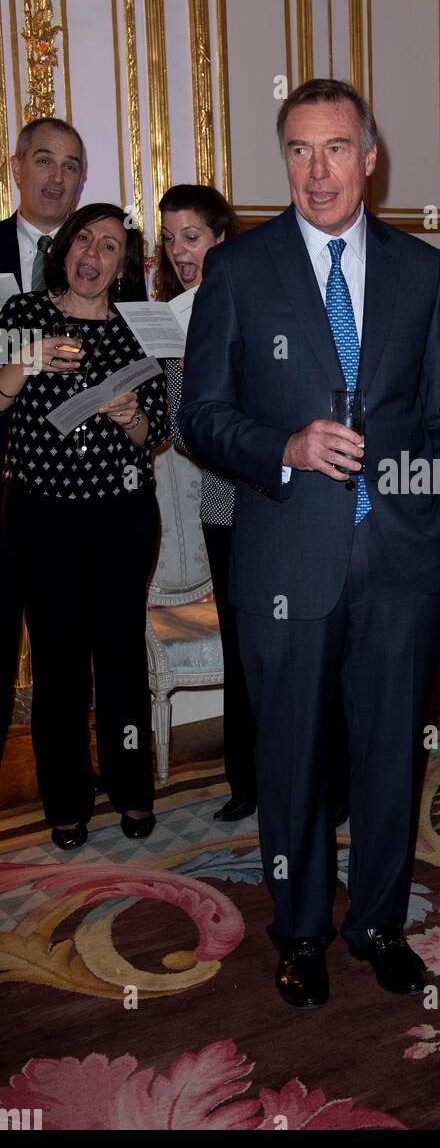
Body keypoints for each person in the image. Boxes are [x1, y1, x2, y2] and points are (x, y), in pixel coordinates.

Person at [179, 78, 440, 1008]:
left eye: (336, 148)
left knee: (392, 753)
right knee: (292, 758)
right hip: (285, 565)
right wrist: (284, 448)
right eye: (300, 151)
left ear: (370, 158)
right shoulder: (239, 269)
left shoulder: (423, 273)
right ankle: (299, 930)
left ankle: (378, 921)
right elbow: (199, 418)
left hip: (399, 565)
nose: (318, 171)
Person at [0, 202, 168, 849]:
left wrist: (129, 417)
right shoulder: (24, 314)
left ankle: (131, 790)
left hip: (121, 516)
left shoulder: (139, 328)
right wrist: (29, 361)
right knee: (59, 663)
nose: (93, 254)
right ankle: (66, 802)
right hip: (41, 518)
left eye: (109, 246)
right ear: (65, 248)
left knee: (121, 657)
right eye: (84, 240)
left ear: (123, 264)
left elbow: (157, 431)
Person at [156, 184, 257, 822]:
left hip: (288, 505)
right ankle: (245, 782)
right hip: (225, 508)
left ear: (221, 238)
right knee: (243, 650)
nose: (178, 252)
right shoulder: (173, 320)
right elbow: (177, 429)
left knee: (303, 649)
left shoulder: (261, 299)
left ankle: (320, 776)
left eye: (190, 236)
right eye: (168, 240)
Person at [0, 118, 86, 758]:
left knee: (69, 647)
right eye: (45, 161)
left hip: (78, 495)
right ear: (16, 168)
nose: (57, 177)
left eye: (72, 166)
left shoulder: (108, 260)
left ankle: (71, 787)